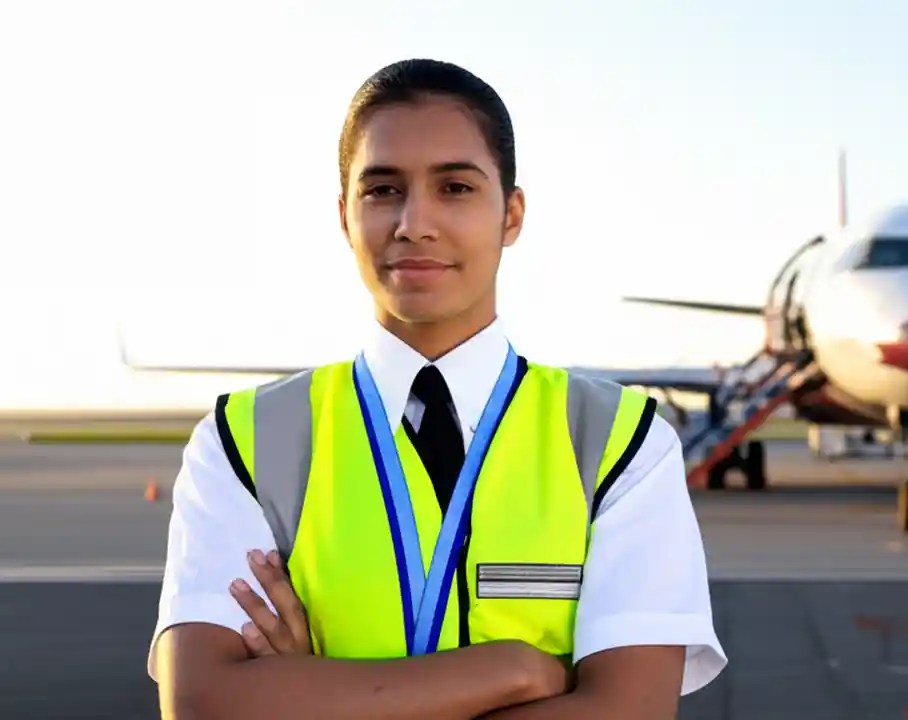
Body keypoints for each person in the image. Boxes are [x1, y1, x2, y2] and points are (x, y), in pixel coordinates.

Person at [148, 58, 726, 719]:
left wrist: (311, 693)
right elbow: (202, 705)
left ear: (511, 214)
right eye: (382, 190)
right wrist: (512, 670)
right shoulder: (243, 440)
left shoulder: (621, 441)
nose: (414, 223)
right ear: (344, 217)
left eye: (454, 188)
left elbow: (630, 713)